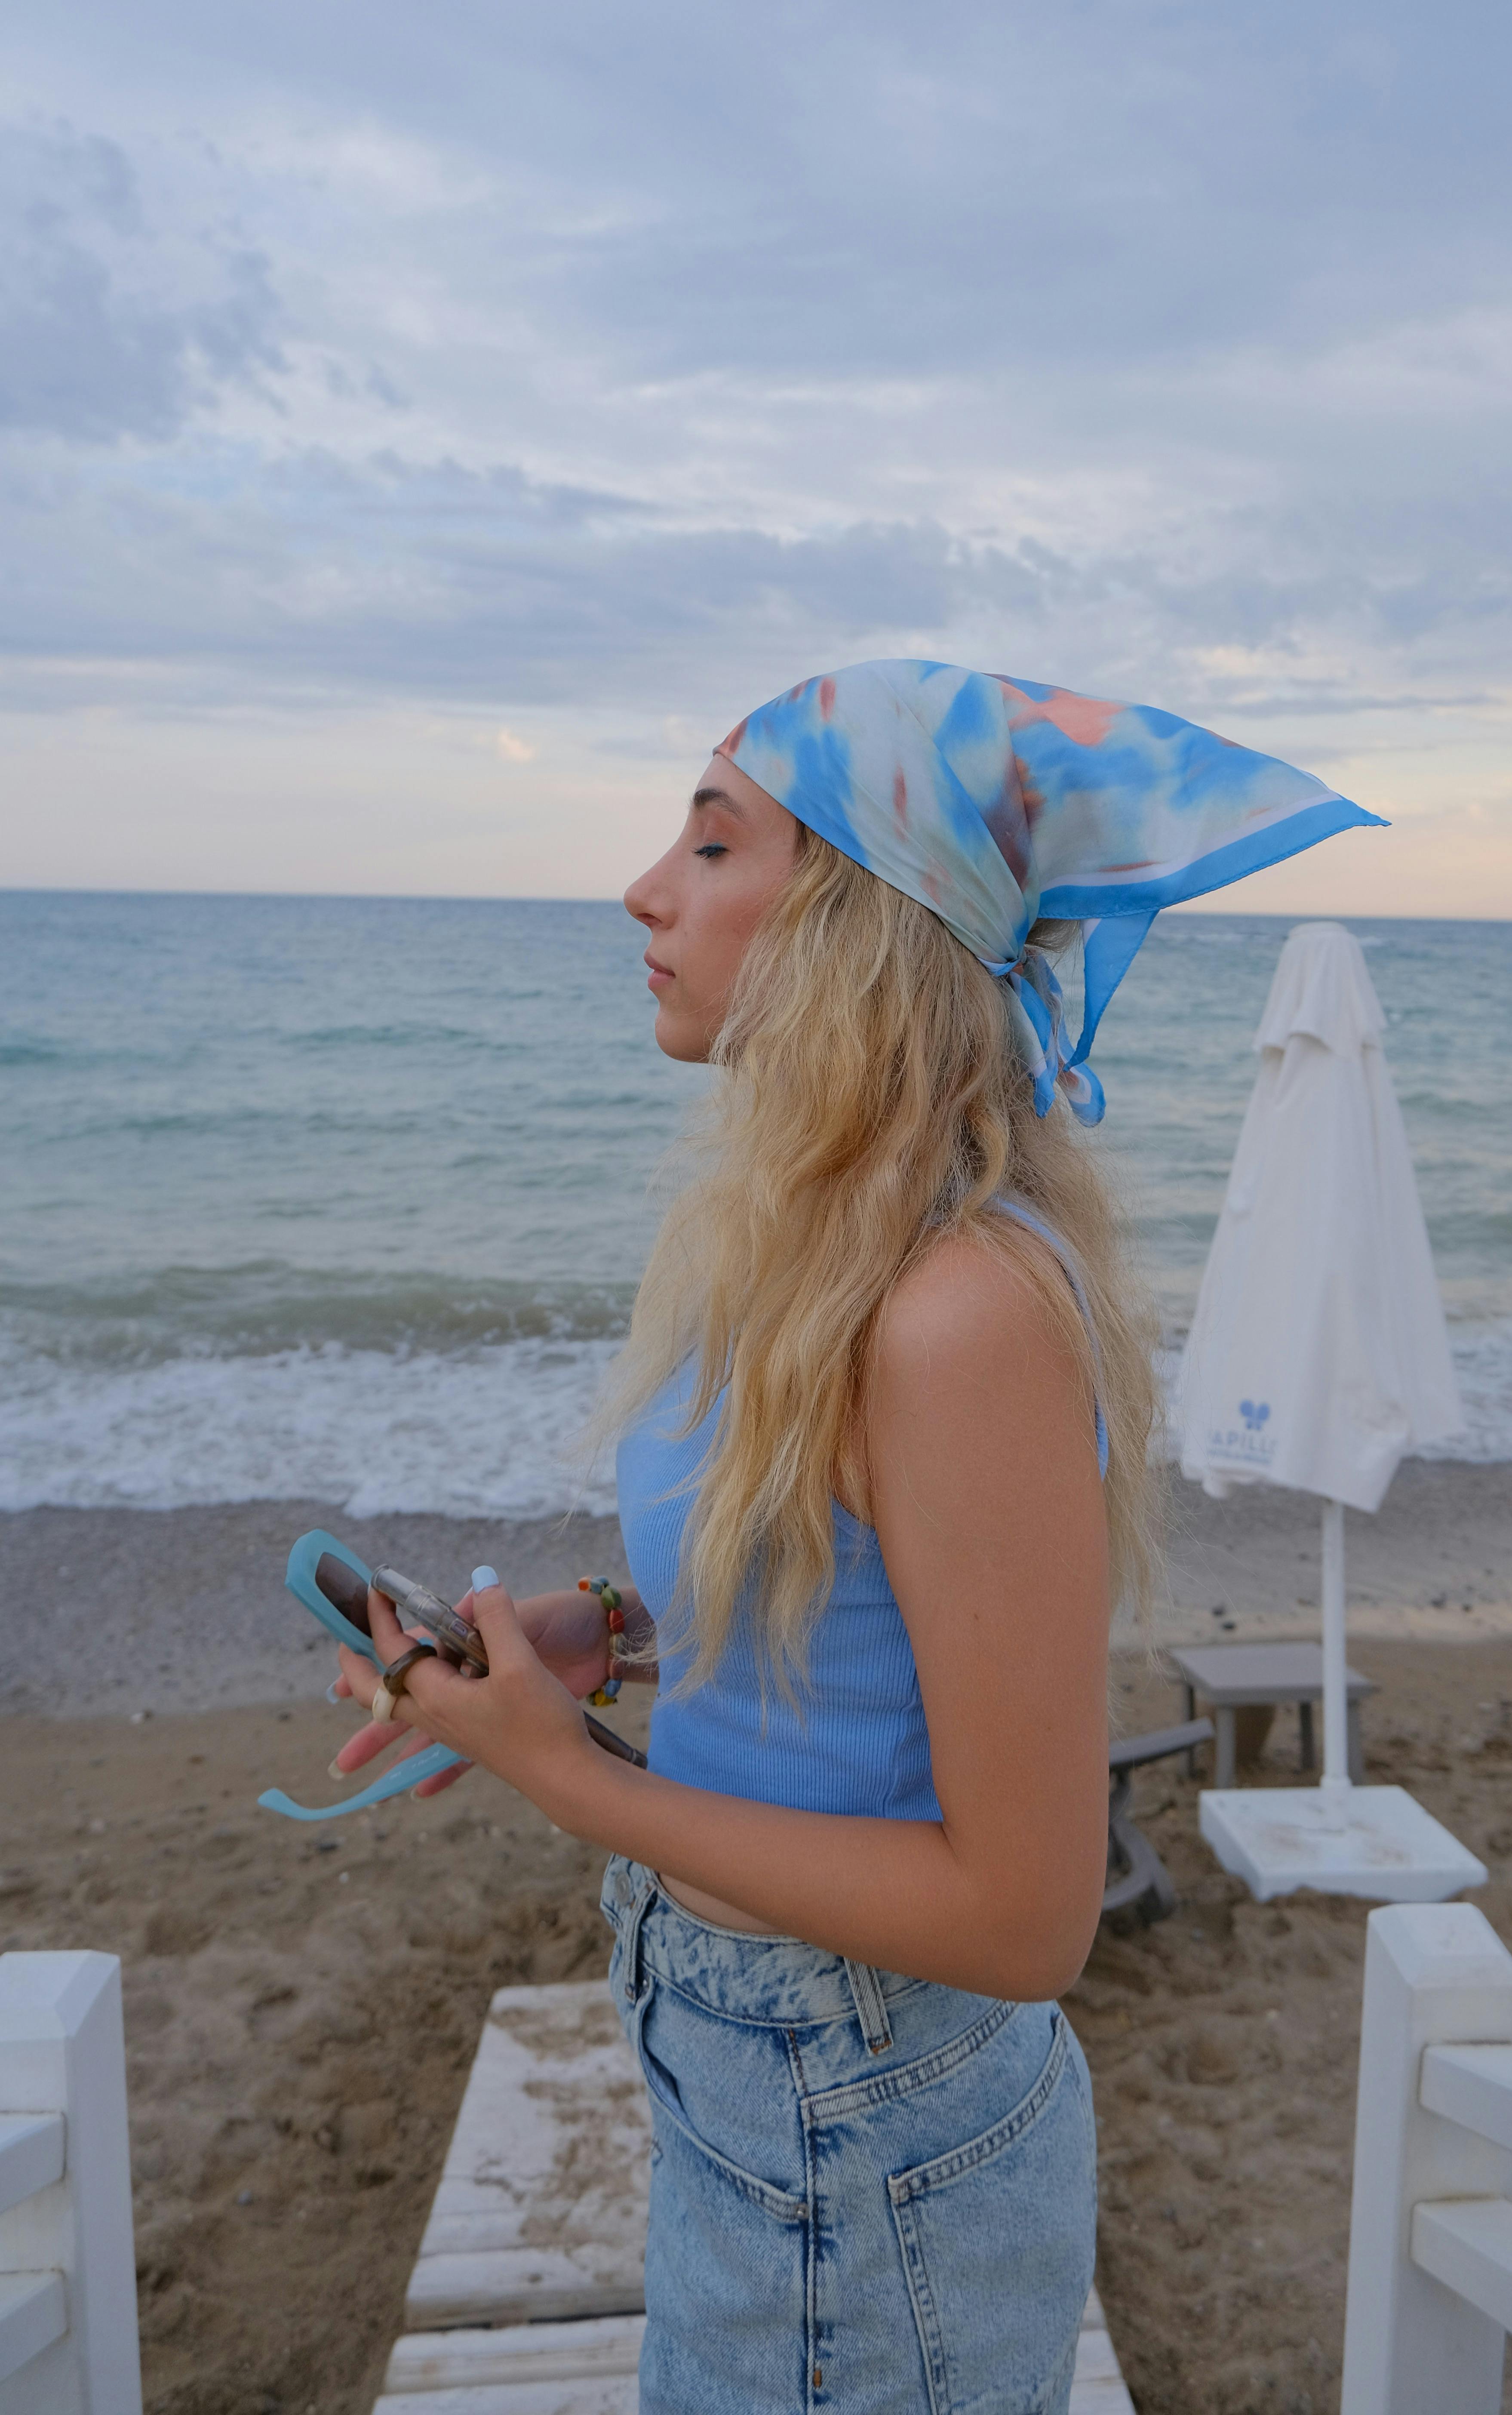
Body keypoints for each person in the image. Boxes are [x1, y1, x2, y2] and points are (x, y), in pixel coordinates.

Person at [330, 661, 1376, 2413]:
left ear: (854, 917)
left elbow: (1028, 1916)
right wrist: (622, 1633)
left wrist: (566, 1776)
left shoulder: (957, 1309)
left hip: (862, 2128)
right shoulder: (819, 1251)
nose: (645, 886)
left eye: (715, 839)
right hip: (761, 2080)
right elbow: (869, 1604)